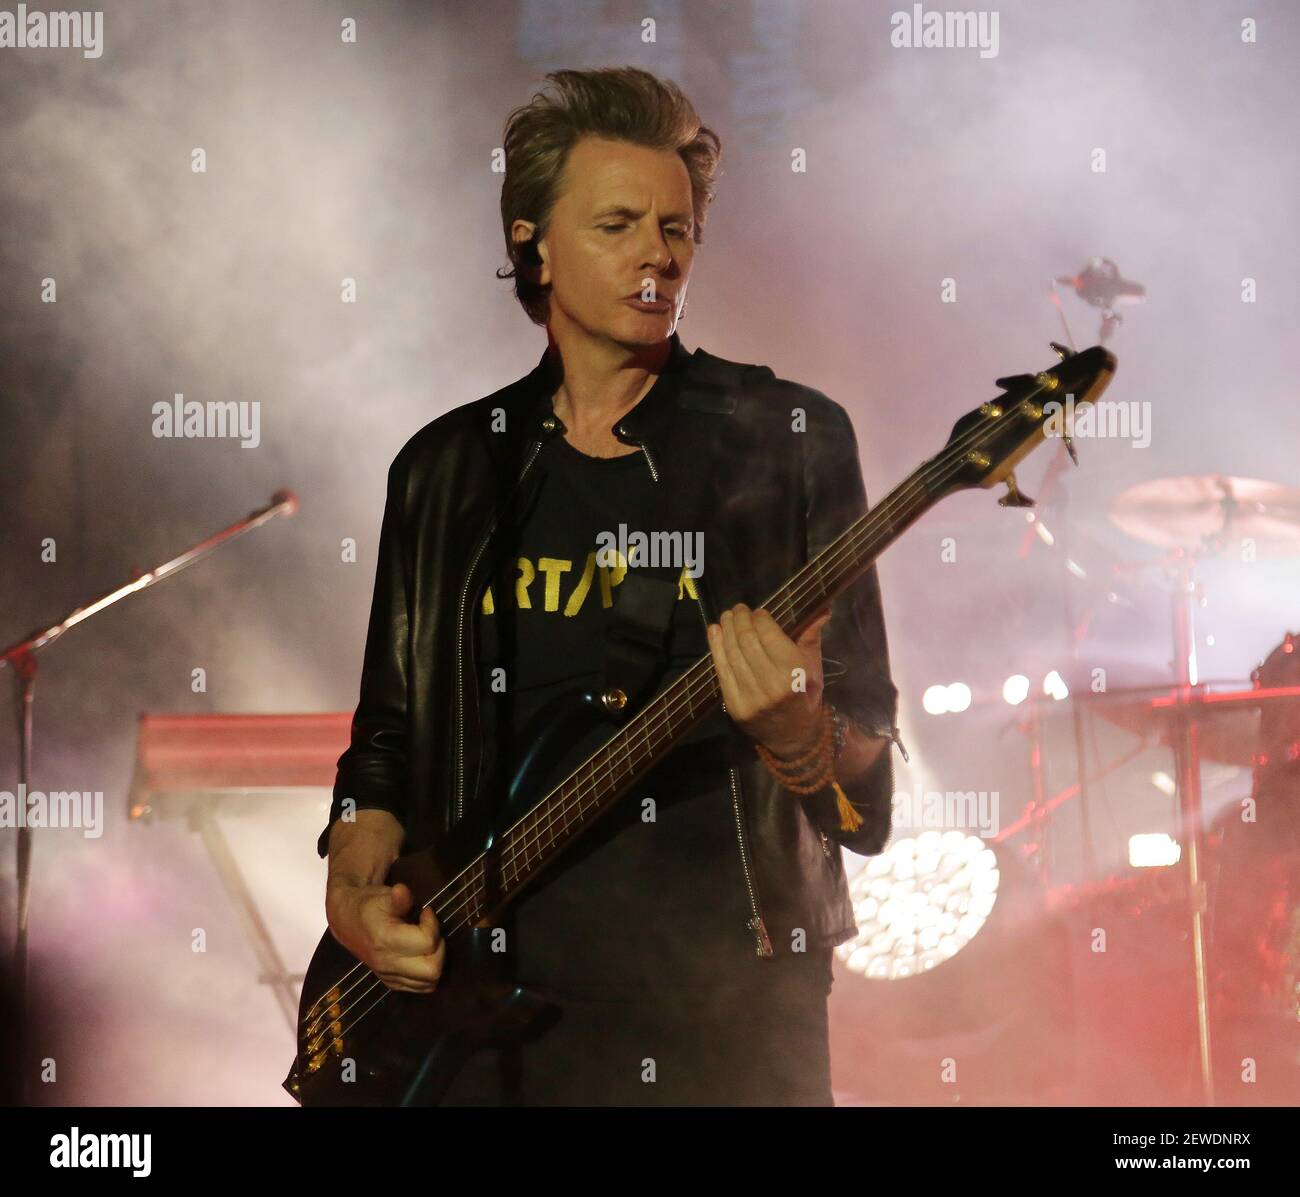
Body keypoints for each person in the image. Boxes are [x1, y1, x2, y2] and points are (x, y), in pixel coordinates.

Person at [317, 66, 902, 1105]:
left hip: (727, 1000)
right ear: (529, 239)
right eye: (618, 223)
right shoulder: (449, 469)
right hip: (479, 1005)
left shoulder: (786, 439)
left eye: (677, 229)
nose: (657, 255)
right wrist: (353, 891)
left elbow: (865, 801)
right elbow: (389, 738)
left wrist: (795, 732)